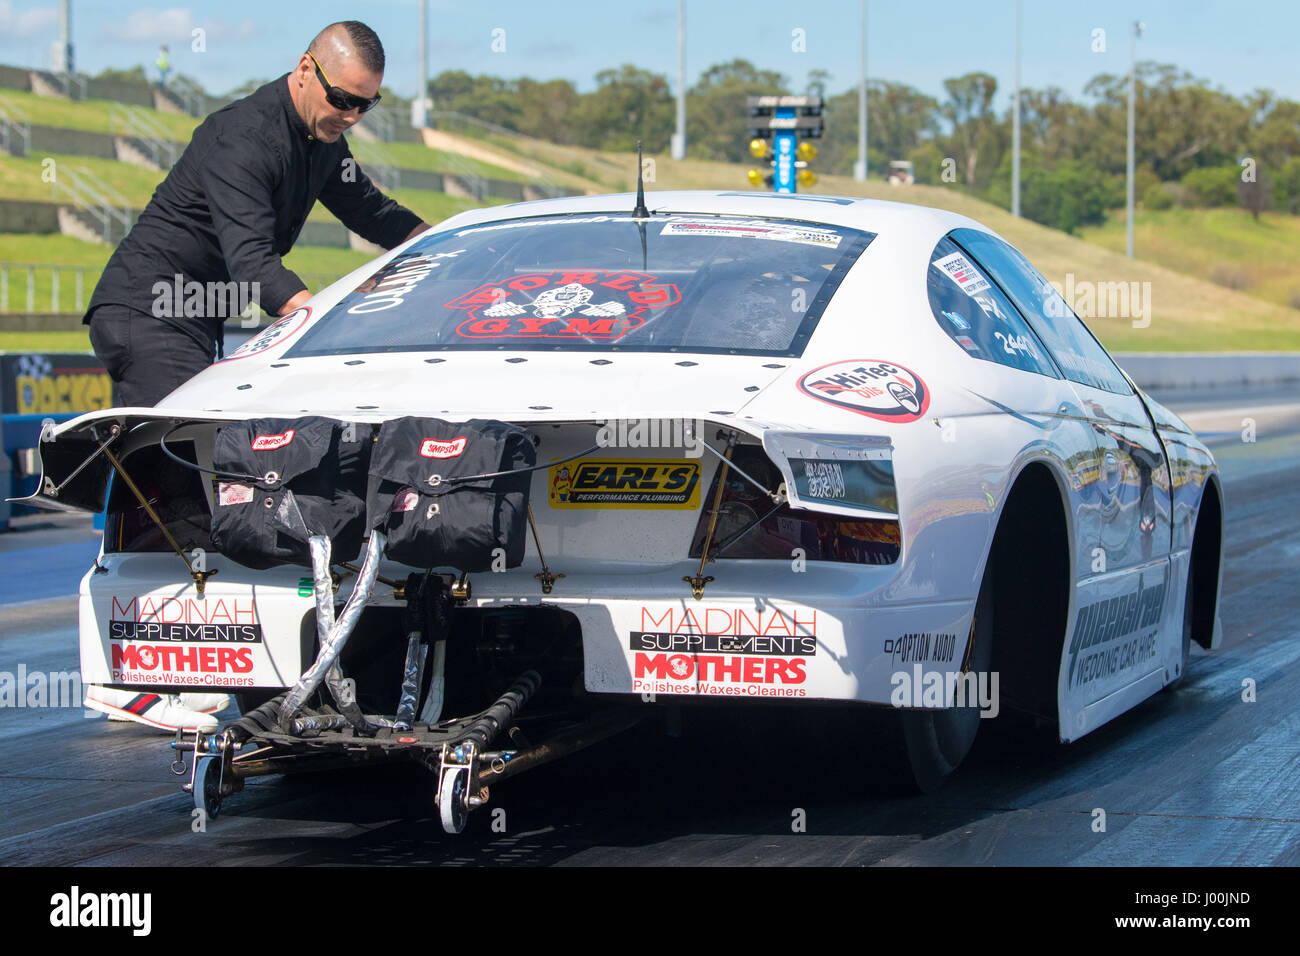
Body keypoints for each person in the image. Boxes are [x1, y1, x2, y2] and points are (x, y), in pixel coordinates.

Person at [82, 21, 432, 731]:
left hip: (190, 320)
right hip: (147, 310)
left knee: (197, 486)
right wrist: (321, 327)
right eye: (343, 99)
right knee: (181, 488)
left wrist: (454, 248)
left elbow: (377, 214)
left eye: (367, 105)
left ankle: (182, 658)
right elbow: (255, 266)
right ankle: (133, 678)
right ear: (305, 70)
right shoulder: (241, 137)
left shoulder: (323, 142)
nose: (351, 116)